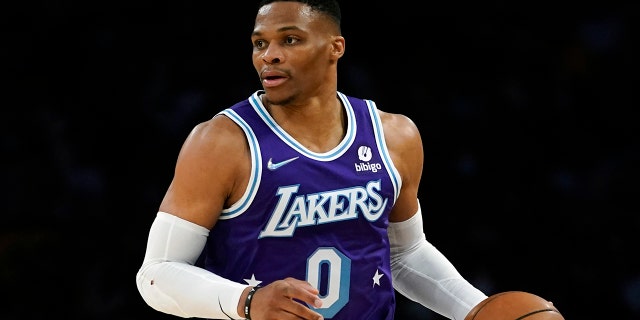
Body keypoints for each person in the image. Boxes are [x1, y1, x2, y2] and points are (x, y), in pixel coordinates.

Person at [135, 0, 488, 319]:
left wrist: (477, 309)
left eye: (290, 40)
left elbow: (405, 255)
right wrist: (247, 300)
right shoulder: (222, 141)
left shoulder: (395, 136)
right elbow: (157, 272)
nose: (269, 55)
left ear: (336, 47)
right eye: (260, 43)